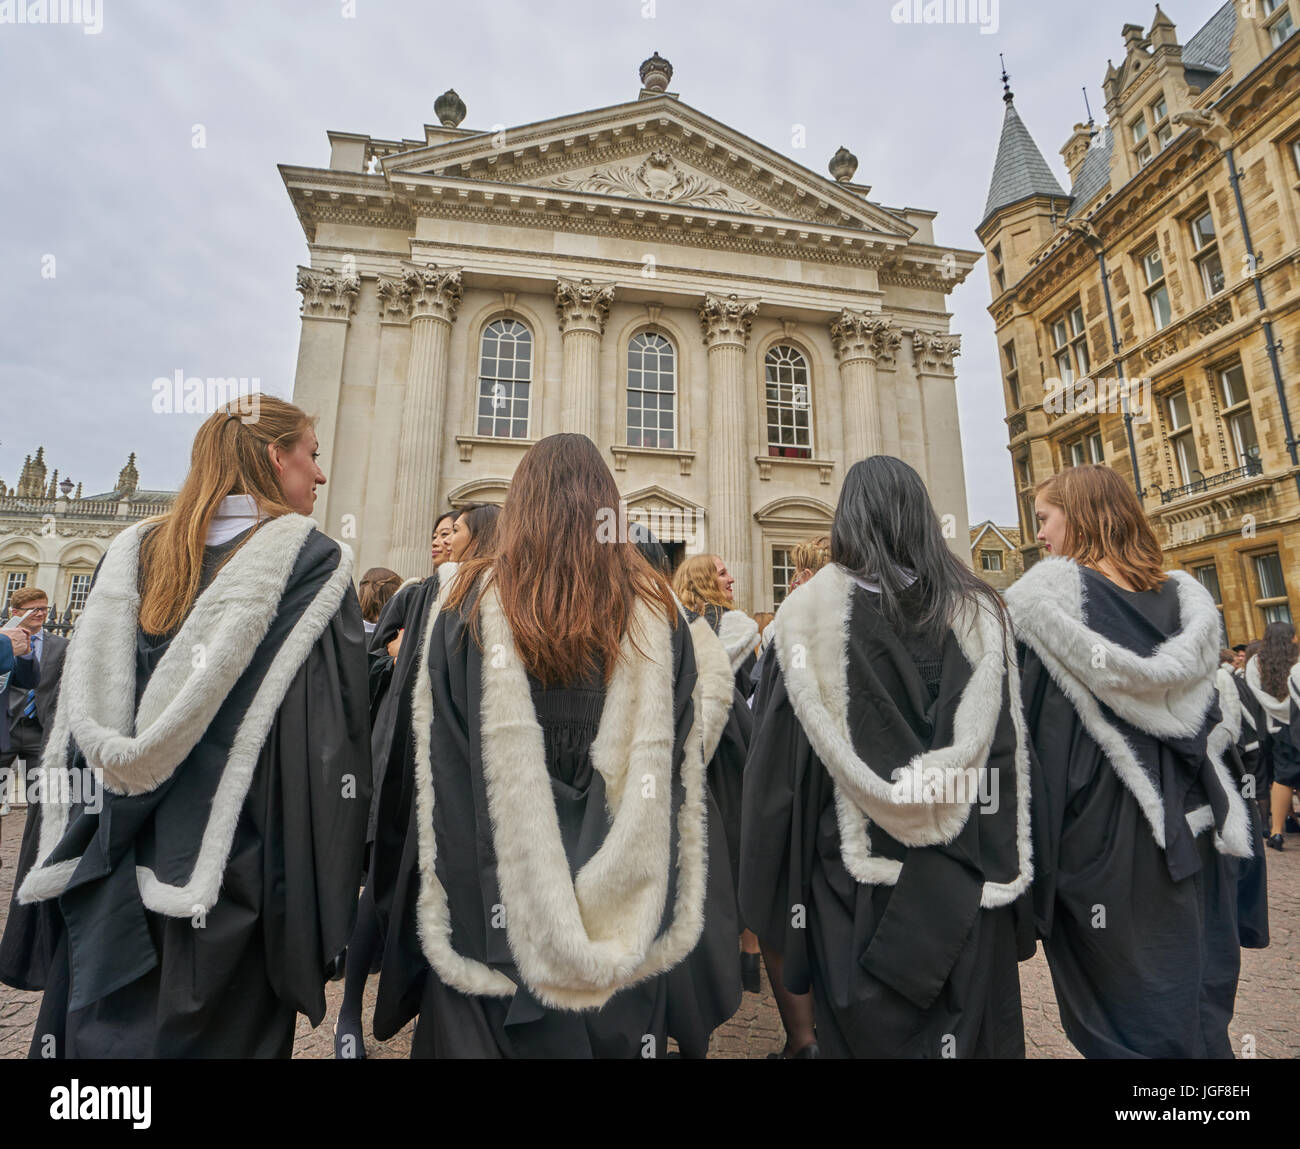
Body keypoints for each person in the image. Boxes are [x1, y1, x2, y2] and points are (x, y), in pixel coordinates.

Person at [0, 397, 372, 1057]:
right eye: (311, 454)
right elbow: (327, 755)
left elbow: (77, 724)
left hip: (107, 859)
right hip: (233, 879)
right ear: (273, 456)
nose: (319, 475)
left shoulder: (134, 551)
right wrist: (316, 915)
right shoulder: (312, 567)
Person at [374, 433, 739, 1058]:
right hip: (621, 925)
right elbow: (675, 773)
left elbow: (444, 773)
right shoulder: (660, 614)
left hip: (492, 916)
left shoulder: (465, 606)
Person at [741, 456, 1031, 1058]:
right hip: (968, 891)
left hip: (858, 896)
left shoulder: (809, 624)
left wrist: (766, 904)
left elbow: (778, 788)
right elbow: (1013, 763)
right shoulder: (981, 614)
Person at [1008, 464, 1252, 1059]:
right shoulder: (1185, 606)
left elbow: (1034, 750)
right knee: (1194, 998)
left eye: (1044, 519)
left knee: (1118, 1020)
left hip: (1105, 842)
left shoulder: (1043, 614)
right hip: (1199, 834)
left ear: (1081, 515)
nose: (1038, 535)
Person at [672, 554, 761, 991]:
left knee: (702, 855)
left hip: (695, 751)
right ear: (704, 580)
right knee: (739, 849)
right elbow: (747, 691)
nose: (731, 577)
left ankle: (707, 958)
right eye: (722, 572)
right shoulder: (736, 627)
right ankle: (748, 957)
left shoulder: (680, 628)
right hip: (731, 752)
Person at [1243, 622, 1300, 850]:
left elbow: (1257, 693)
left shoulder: (1256, 663)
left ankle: (1276, 831)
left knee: (1283, 778)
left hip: (1276, 726)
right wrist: (1291, 707)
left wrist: (1277, 710)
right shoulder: (1296, 661)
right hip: (1297, 720)